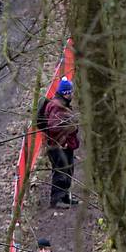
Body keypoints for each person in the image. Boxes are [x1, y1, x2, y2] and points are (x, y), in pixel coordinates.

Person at [40, 78, 80, 208]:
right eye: (71, 92)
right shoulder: (57, 106)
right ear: (66, 93)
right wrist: (64, 139)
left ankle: (65, 197)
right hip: (59, 146)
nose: (72, 94)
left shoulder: (62, 104)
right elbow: (54, 127)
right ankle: (56, 200)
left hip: (63, 145)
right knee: (60, 172)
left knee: (68, 170)